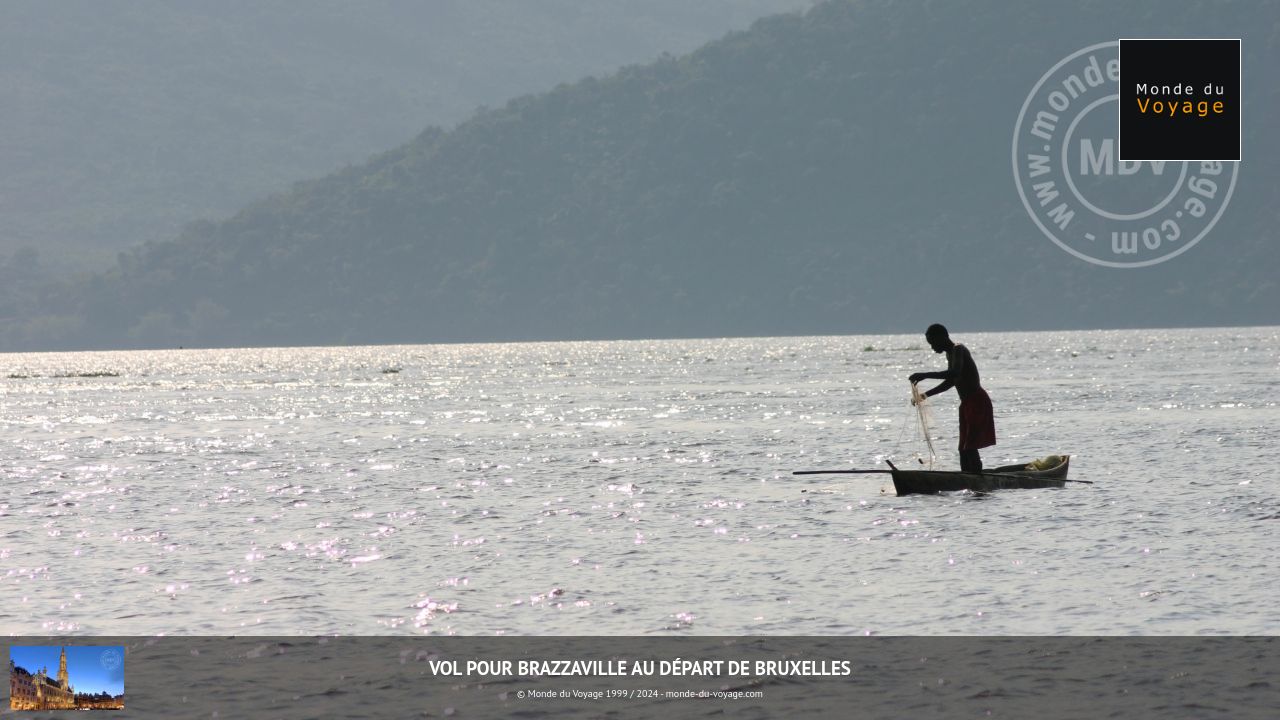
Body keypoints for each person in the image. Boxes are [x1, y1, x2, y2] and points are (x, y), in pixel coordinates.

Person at [908, 324, 995, 472]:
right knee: (963, 447)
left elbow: (954, 373)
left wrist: (924, 374)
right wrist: (924, 395)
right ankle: (966, 477)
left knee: (970, 446)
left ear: (942, 337)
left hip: (977, 401)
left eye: (933, 343)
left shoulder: (958, 349)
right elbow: (950, 382)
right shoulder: (950, 354)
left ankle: (977, 479)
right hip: (966, 404)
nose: (932, 347)